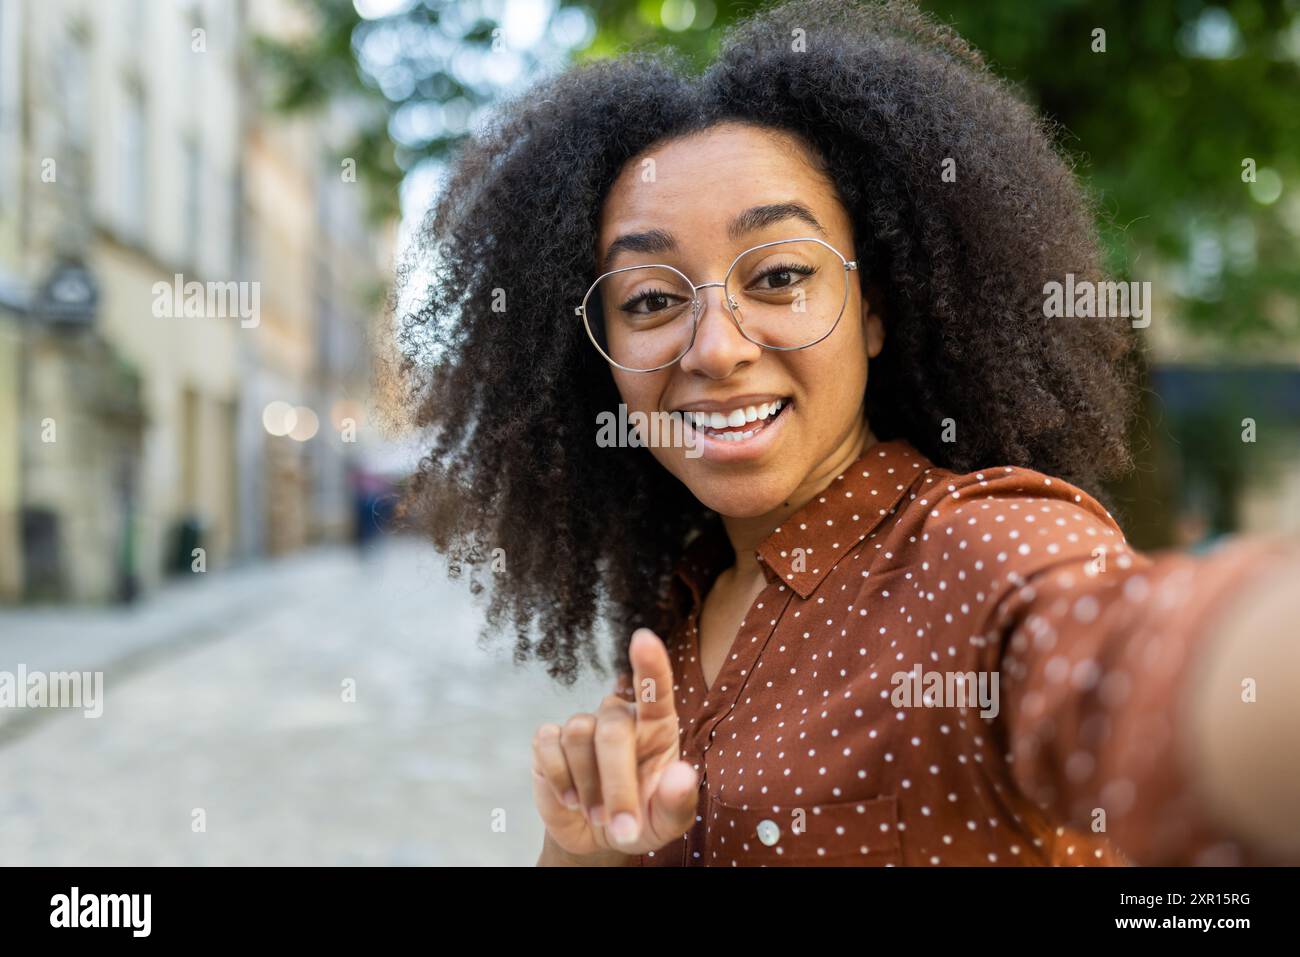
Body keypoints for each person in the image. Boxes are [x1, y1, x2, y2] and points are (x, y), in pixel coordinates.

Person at [397, 0, 1299, 866]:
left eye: (782, 275)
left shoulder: (980, 553)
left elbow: (1138, 663)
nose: (715, 348)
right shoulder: (679, 611)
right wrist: (582, 848)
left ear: (873, 308)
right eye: (652, 300)